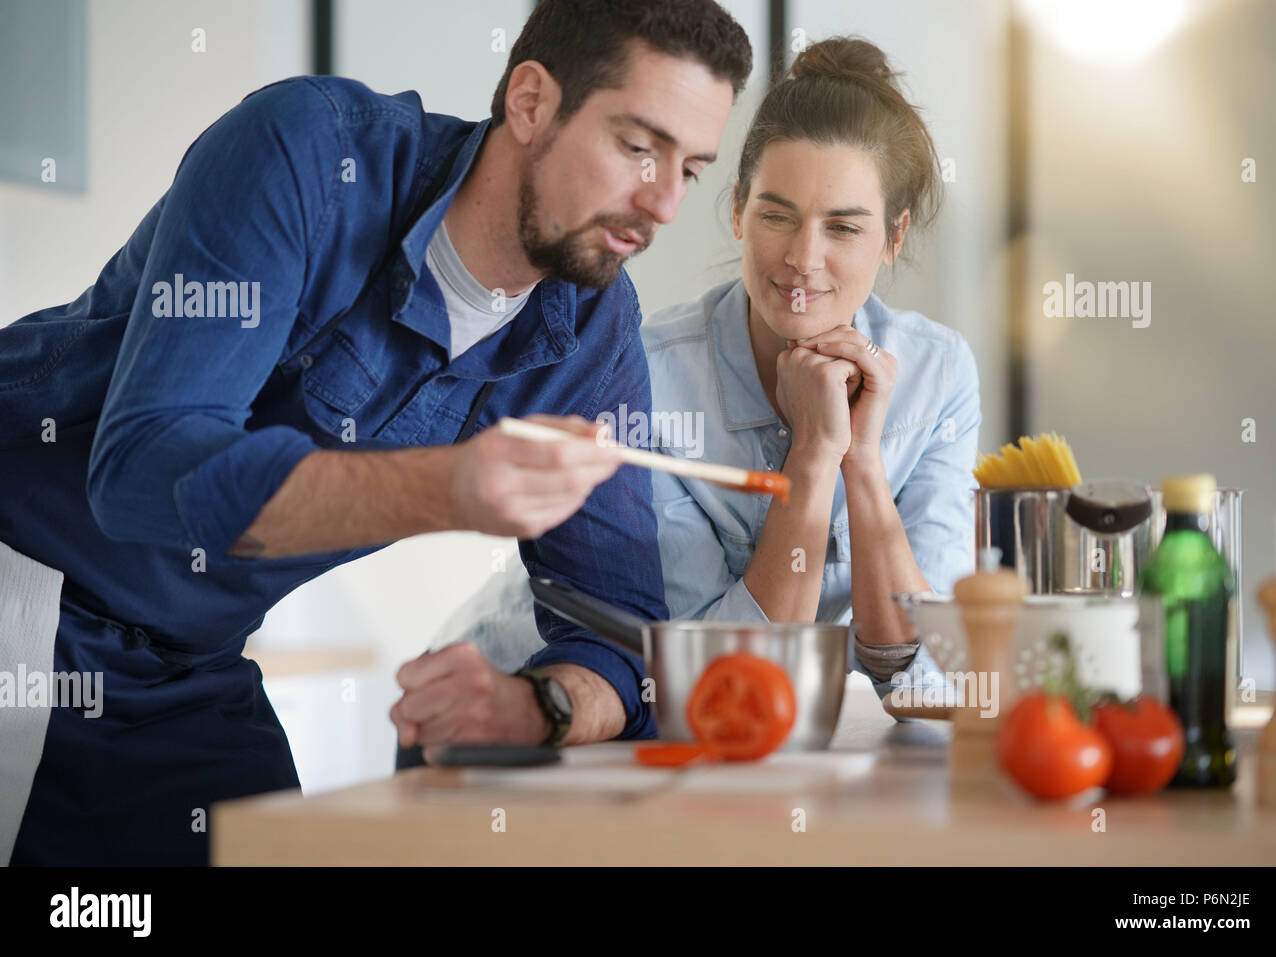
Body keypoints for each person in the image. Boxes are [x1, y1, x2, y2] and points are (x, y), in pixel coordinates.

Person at [0, 0, 752, 865]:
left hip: (189, 660)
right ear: (532, 101)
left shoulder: (594, 326)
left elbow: (624, 632)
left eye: (690, 169)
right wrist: (448, 486)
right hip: (26, 582)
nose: (661, 203)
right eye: (637, 147)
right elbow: (141, 470)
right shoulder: (305, 151)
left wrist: (537, 707)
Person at [392, 36, 978, 744]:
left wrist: (862, 460)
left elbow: (928, 685)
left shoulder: (936, 374)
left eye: (844, 227)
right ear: (737, 210)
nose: (803, 257)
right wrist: (814, 455)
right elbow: (721, 683)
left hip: (664, 747)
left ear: (893, 236)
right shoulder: (646, 371)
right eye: (776, 214)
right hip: (506, 717)